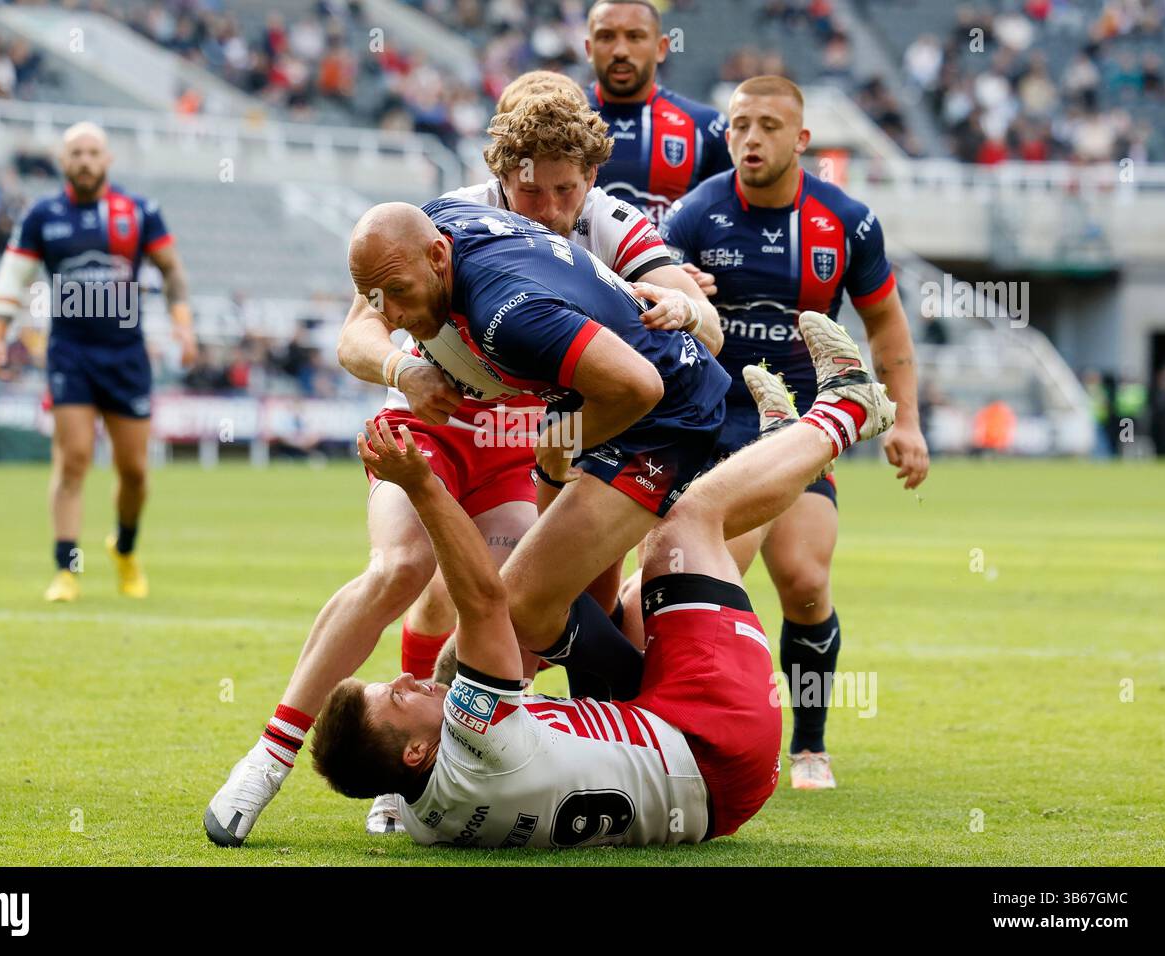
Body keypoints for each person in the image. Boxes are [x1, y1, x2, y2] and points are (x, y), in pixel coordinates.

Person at [204, 81, 722, 843]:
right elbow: (359, 333)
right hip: (443, 422)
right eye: (529, 188)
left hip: (538, 434)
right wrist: (402, 370)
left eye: (563, 190)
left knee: (517, 607)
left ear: (589, 180)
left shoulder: (610, 223)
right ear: (502, 172)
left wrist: (687, 309)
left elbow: (691, 316)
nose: (545, 207)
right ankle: (268, 759)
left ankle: (419, 765)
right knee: (403, 569)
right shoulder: (446, 218)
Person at [311, 310, 896, 847]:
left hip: (703, 781)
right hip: (712, 738)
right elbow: (486, 600)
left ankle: (777, 453)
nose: (404, 680)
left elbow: (468, 660)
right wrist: (420, 484)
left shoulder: (423, 817)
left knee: (653, 589)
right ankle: (846, 410)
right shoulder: (472, 736)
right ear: (417, 751)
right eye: (394, 696)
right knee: (678, 529)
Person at [647, 75, 930, 790]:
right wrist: (675, 286)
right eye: (740, 124)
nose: (750, 138)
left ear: (800, 140)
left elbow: (887, 322)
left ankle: (809, 745)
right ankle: (666, 730)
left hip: (804, 427)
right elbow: (641, 289)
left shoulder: (847, 222)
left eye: (768, 125)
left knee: (804, 583)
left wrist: (909, 423)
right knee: (707, 577)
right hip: (714, 427)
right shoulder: (694, 214)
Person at [0, 122, 197, 602]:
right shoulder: (43, 214)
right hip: (70, 355)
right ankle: (66, 568)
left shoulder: (140, 212)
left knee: (135, 472)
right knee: (74, 458)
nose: (84, 160)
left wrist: (183, 325)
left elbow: (172, 273)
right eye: (75, 152)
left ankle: (123, 548)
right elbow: (13, 277)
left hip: (126, 356)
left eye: (92, 152)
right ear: (62, 161)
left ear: (107, 160)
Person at [584, 0, 733, 226]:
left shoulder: (706, 127)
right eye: (606, 37)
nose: (621, 51)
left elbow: (726, 221)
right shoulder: (561, 119)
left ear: (661, 48)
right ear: (589, 49)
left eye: (635, 37)